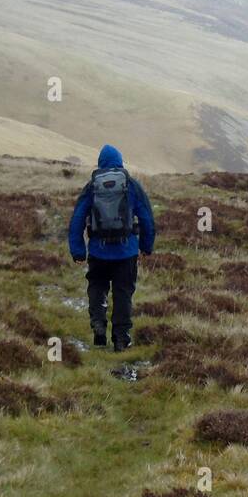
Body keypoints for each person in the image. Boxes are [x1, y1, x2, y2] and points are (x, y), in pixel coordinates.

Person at [68, 144, 156, 351]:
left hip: (98, 251)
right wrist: (146, 246)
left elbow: (77, 218)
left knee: (97, 287)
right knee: (123, 292)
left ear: (101, 163)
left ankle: (98, 324)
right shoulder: (131, 185)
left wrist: (78, 250)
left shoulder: (92, 187)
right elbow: (147, 218)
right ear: (120, 161)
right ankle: (121, 339)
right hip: (126, 252)